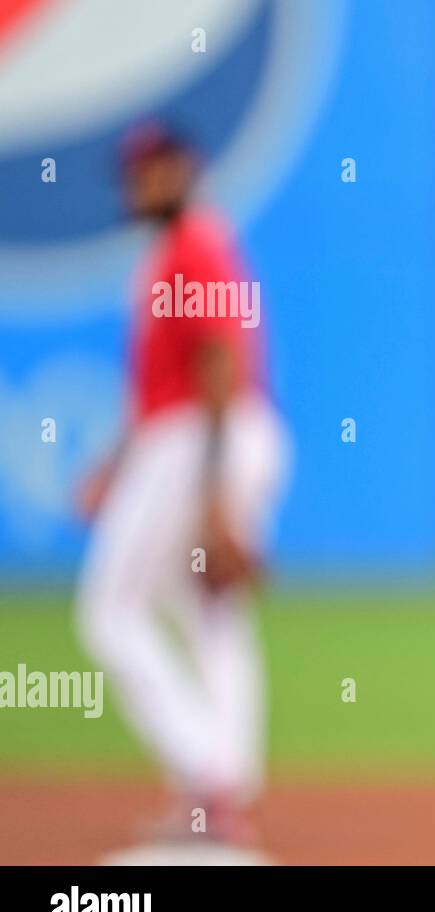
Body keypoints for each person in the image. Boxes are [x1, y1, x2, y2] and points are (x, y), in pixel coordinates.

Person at [76, 124, 288, 844]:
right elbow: (155, 385)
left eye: (157, 169)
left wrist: (216, 494)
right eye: (136, 173)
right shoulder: (174, 250)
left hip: (202, 438)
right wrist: (114, 465)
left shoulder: (194, 241)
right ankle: (221, 787)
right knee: (208, 613)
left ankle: (210, 775)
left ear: (185, 169)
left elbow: (220, 358)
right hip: (196, 436)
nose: (144, 184)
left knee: (109, 611)